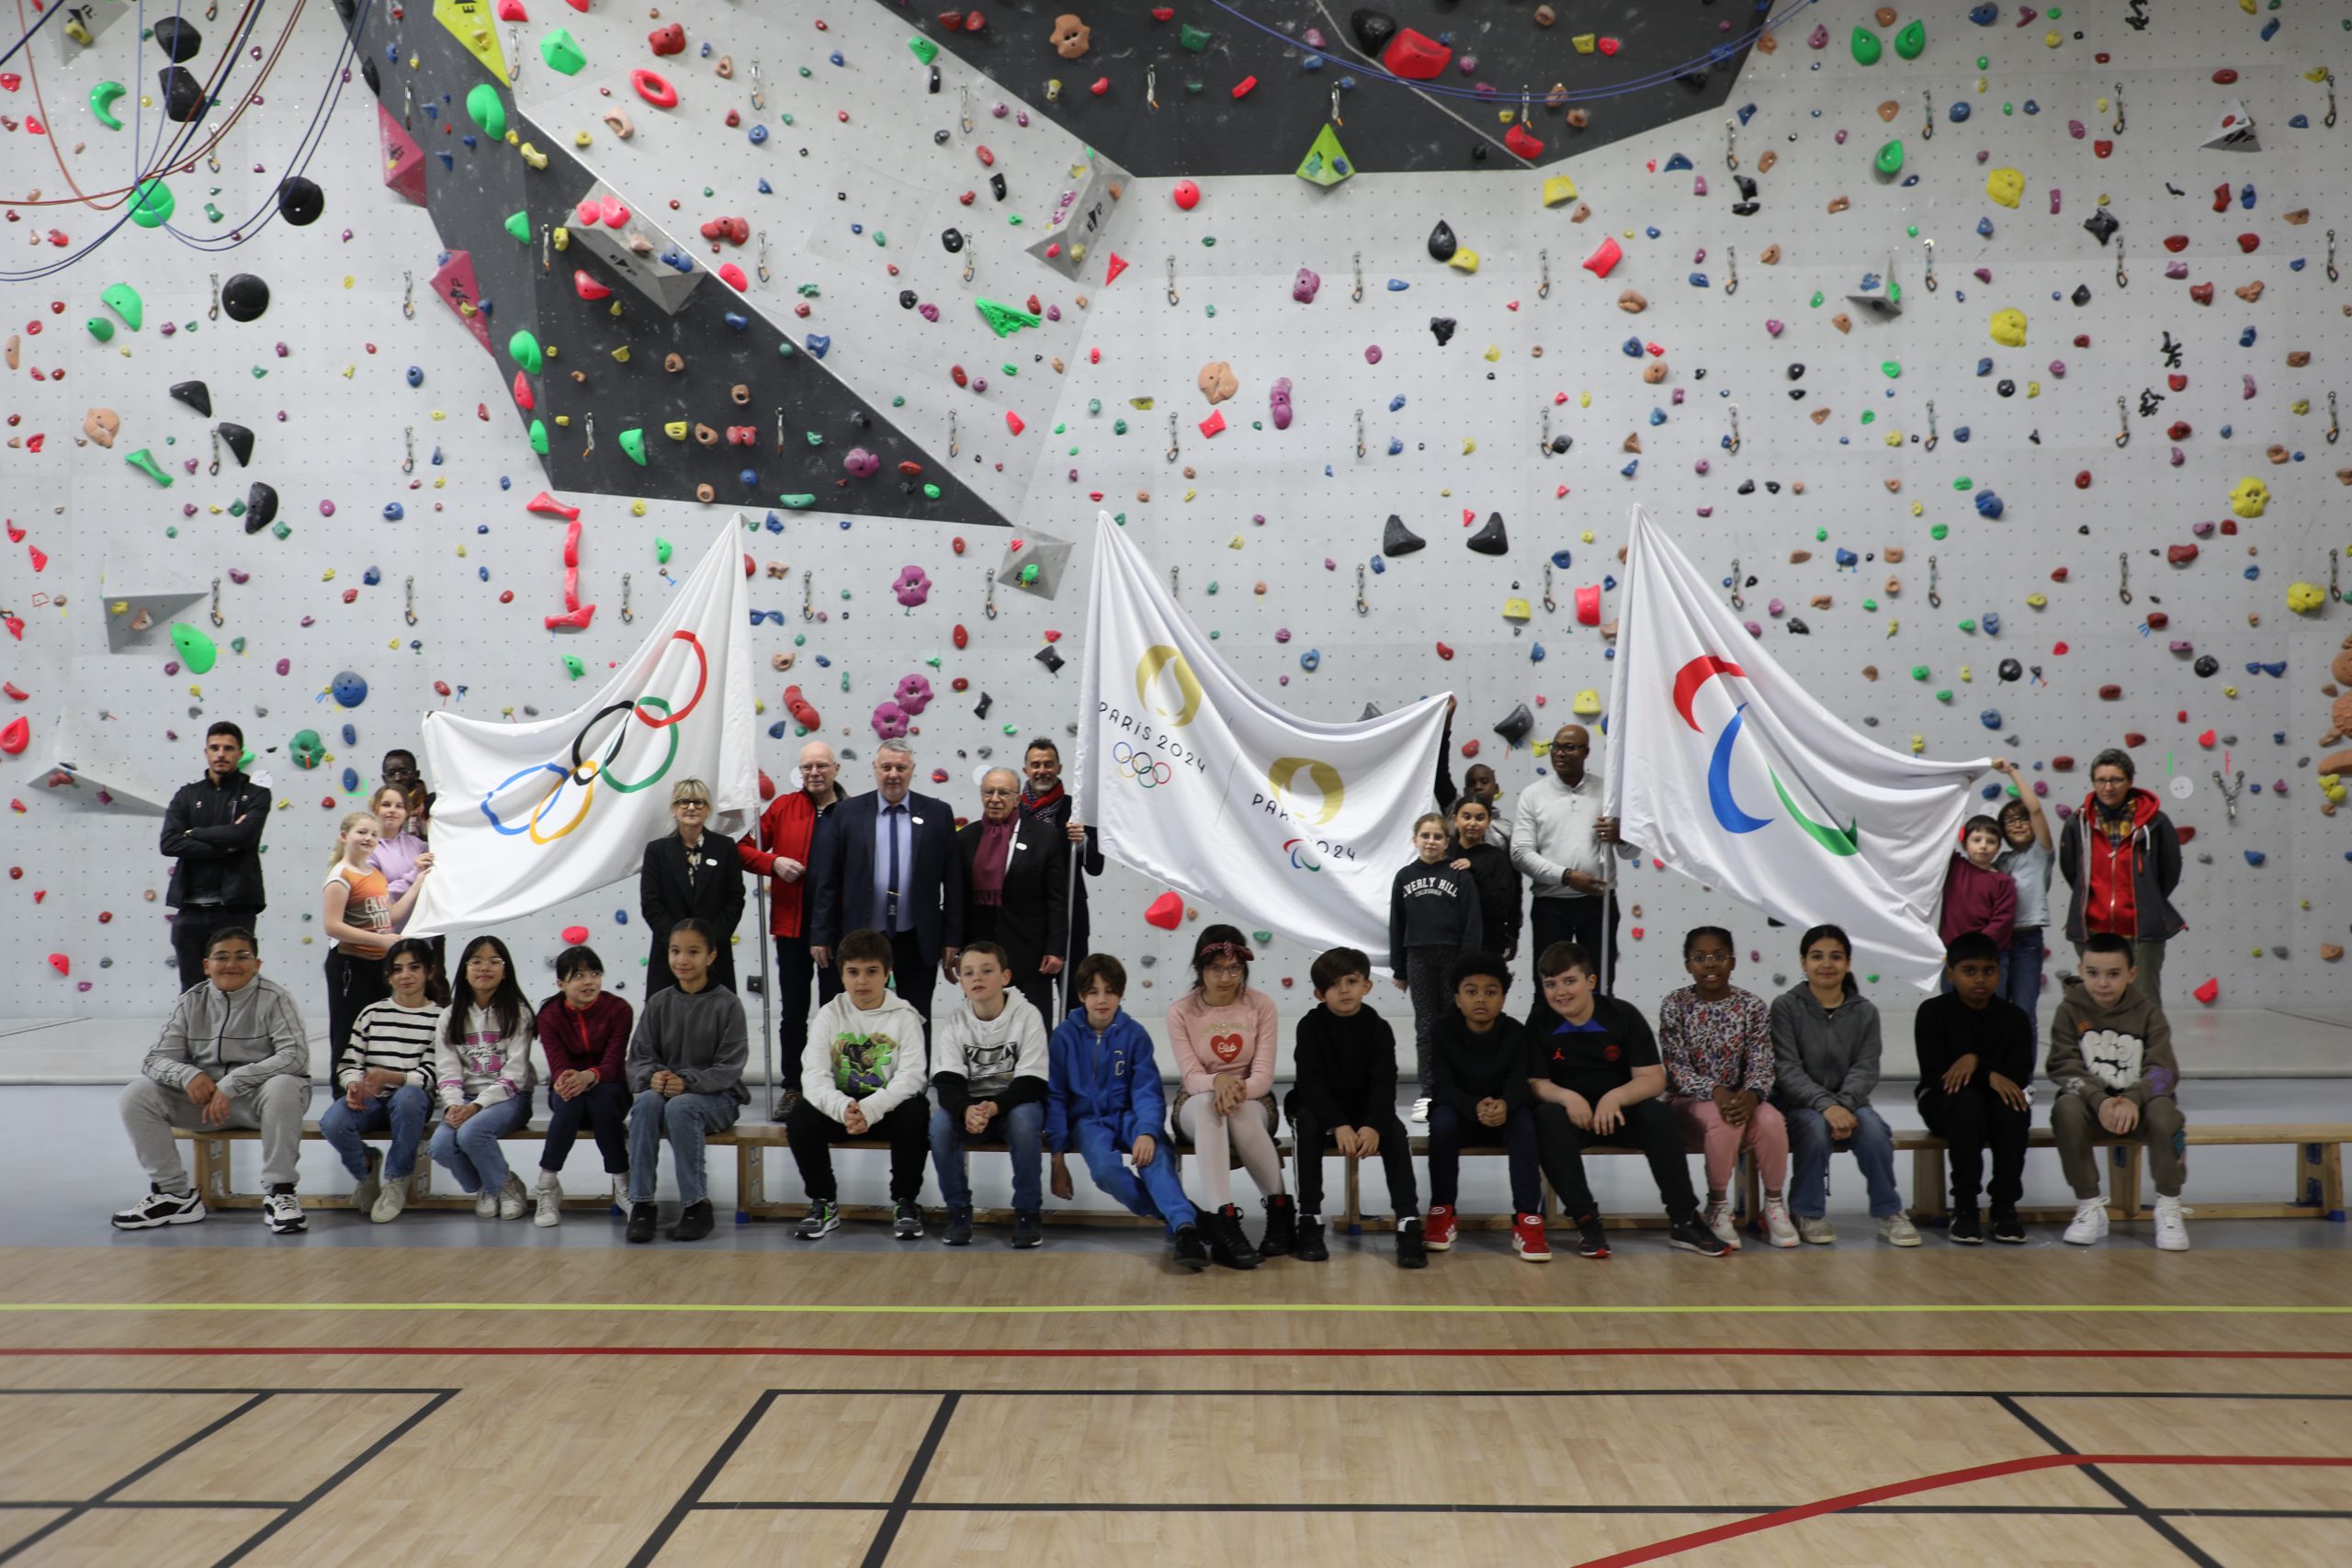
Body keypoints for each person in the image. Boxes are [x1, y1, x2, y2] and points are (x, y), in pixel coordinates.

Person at [1524, 942, 1726, 1259]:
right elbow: (1536, 1084)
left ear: (1590, 982)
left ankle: (1685, 1220)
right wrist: (1567, 1097)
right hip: (1573, 1120)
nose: (1560, 992)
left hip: (1620, 1115)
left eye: (1569, 981)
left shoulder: (1623, 1015)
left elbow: (1653, 1079)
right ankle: (1586, 1220)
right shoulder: (1539, 1022)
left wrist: (1615, 1098)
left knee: (1659, 1116)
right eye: (1550, 984)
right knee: (1546, 1117)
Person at [112, 926, 311, 1235]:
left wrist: (232, 1083)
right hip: (203, 1105)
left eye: (242, 957)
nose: (232, 964)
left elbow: (294, 1056)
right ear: (207, 965)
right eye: (222, 957)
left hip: (258, 1103)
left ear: (257, 964)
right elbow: (154, 1060)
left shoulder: (276, 999)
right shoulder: (191, 1001)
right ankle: (174, 1195)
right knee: (136, 1094)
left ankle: (281, 1192)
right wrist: (188, 1074)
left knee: (285, 1085)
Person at [1046, 954, 1211, 1270]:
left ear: (1121, 993)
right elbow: (1055, 1096)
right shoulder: (1064, 1036)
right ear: (1081, 996)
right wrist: (1057, 1156)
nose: (1102, 1000)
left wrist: (1148, 1131)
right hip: (1087, 1121)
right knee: (1107, 1174)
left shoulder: (1134, 1034)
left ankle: (1186, 1232)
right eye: (1093, 992)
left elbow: (1146, 1090)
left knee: (1156, 1157)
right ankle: (1182, 1216)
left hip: (1130, 1116)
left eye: (1109, 991)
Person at [1769, 925, 1918, 1247]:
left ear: (1848, 963)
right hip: (1798, 1105)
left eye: (1835, 957)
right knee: (1813, 1128)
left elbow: (1866, 1069)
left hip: (1850, 1103)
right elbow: (1786, 1069)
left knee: (1875, 1131)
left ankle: (1889, 1212)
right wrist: (1826, 1105)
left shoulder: (1864, 1012)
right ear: (1803, 962)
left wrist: (1844, 1105)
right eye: (1817, 956)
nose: (1826, 964)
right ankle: (1808, 1212)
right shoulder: (1785, 1007)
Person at [1285, 947, 1425, 1268]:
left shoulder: (1378, 1028)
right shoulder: (1310, 1026)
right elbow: (1310, 1083)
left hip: (1365, 1109)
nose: (1344, 990)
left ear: (1367, 985)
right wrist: (1337, 1124)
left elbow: (1384, 1083)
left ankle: (1408, 1222)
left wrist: (1373, 1124)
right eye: (1334, 985)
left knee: (1395, 1129)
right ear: (1320, 994)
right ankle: (1308, 1218)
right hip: (1318, 1107)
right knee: (1305, 1125)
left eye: (1351, 981)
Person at [2049, 934, 2189, 1251]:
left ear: (2132, 974)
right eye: (2093, 973)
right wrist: (2099, 1101)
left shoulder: (2149, 1012)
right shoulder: (2069, 1011)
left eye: (2113, 974)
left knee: (2167, 1113)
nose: (2102, 983)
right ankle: (2089, 1206)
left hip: (2139, 1111)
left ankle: (2169, 1205)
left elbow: (2164, 1070)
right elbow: (2063, 1065)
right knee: (2065, 1109)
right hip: (2092, 1109)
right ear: (2081, 970)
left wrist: (2133, 1099)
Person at [808, 740, 964, 1024]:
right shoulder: (848, 813)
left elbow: (953, 882)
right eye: (886, 767)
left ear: (912, 770)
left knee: (916, 1019)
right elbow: (828, 881)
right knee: (860, 1021)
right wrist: (820, 934)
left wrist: (952, 939)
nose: (893, 774)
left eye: (901, 767)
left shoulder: (938, 814)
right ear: (875, 769)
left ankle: (914, 1071)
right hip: (861, 936)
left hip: (916, 938)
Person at [790, 927, 932, 1241]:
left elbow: (912, 1077)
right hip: (845, 1110)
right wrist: (844, 1108)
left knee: (916, 1112)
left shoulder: (904, 1016)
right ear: (841, 975)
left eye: (871, 972)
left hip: (886, 1109)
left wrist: (871, 1108)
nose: (862, 981)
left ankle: (905, 1202)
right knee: (801, 1116)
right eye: (853, 972)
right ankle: (823, 1202)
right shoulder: (829, 1014)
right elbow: (813, 1075)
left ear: (888, 973)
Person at [1658, 927, 1792, 1251]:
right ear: (1688, 965)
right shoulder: (1676, 1005)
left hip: (1743, 1097)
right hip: (1689, 1100)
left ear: (1732, 962)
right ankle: (1717, 1205)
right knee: (1724, 1118)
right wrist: (1716, 1091)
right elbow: (1675, 1066)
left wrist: (1751, 1095)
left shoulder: (1753, 1006)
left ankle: (1773, 1204)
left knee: (1772, 1119)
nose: (1710, 964)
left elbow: (1762, 1060)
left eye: (1719, 956)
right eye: (1700, 958)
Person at [1166, 923, 1291, 1269]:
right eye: (1216, 968)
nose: (1226, 977)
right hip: (1197, 1099)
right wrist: (1218, 1082)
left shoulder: (1261, 1006)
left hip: (1254, 1099)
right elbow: (1191, 1078)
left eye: (1234, 968)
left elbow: (1263, 1077)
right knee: (1210, 1106)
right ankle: (1224, 1221)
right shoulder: (1181, 1011)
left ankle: (1280, 1211)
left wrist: (1235, 1091)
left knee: (1241, 1112)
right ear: (1200, 970)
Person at [737, 739, 853, 1097]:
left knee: (838, 1014)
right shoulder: (783, 808)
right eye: (807, 767)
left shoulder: (855, 813)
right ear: (800, 772)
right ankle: (793, 1087)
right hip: (792, 929)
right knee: (793, 1016)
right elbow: (741, 849)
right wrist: (772, 863)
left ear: (836, 768)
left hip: (839, 931)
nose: (814, 773)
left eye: (821, 766)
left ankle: (836, 1086)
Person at [624, 919, 750, 1243]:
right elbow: (639, 1056)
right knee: (647, 1103)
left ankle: (697, 1205)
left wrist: (686, 1081)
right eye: (675, 951)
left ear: (711, 956)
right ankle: (641, 1204)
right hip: (668, 1093)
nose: (682, 959)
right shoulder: (658, 1002)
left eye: (693, 952)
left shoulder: (728, 1005)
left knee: (681, 1109)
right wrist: (655, 1077)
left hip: (717, 1099)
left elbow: (729, 1067)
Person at [1424, 951, 1549, 1260]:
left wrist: (1505, 1104)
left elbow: (1520, 1082)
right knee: (1441, 1122)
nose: (1481, 999)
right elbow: (1442, 1086)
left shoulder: (1516, 1032)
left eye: (1491, 992)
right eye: (1471, 991)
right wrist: (1474, 1106)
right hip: (1461, 1114)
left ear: (1503, 999)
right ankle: (1442, 1209)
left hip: (1503, 1115)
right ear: (1456, 998)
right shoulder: (1442, 1030)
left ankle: (1527, 1218)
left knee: (1524, 1122)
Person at [1914, 932, 2034, 1245]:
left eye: (1988, 971)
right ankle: (1965, 1208)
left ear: (1999, 973)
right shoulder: (1932, 1013)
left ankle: (2004, 1208)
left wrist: (1976, 1064)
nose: (1980, 979)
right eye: (1969, 971)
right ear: (1950, 974)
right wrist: (1986, 1072)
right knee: (1967, 1106)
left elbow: (2018, 1075)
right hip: (1942, 1101)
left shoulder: (2015, 1017)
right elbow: (1935, 1073)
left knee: (2014, 1108)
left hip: (1995, 1103)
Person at [929, 942, 1051, 1248]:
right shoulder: (955, 1022)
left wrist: (994, 1108)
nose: (977, 978)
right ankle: (958, 1211)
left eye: (986, 970)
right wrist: (966, 1110)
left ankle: (1027, 1212)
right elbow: (947, 1081)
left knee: (1025, 1125)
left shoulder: (1027, 1015)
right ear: (961, 981)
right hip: (972, 1111)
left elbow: (1031, 1082)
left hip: (1013, 1106)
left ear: (1005, 976)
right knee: (940, 1127)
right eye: (968, 973)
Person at [319, 938, 445, 1224]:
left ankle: (396, 1181)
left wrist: (392, 1077)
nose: (405, 975)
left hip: (411, 1102)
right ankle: (366, 1168)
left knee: (409, 1096)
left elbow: (431, 1076)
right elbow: (350, 1063)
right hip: (372, 1101)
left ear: (429, 972)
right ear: (388, 975)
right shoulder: (371, 1013)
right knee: (333, 1123)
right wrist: (352, 1085)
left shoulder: (440, 1018)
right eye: (397, 969)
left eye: (414, 967)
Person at [1510, 723, 1634, 994]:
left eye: (1569, 747)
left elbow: (1631, 851)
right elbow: (1519, 854)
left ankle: (1600, 1036)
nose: (1560, 753)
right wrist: (1567, 877)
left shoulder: (1608, 793)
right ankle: (1549, 1037)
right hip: (1551, 904)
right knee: (1548, 984)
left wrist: (1621, 835)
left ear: (1586, 752)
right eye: (1555, 747)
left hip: (1599, 903)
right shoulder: (1533, 795)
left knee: (1600, 982)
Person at [2058, 749, 2186, 1003]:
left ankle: (2144, 1044)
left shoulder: (2156, 823)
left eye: (2116, 780)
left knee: (2143, 1000)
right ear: (2093, 782)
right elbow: (2071, 870)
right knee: (2098, 999)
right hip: (2093, 930)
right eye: (2101, 780)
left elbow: (2169, 872)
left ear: (2129, 781)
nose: (2108, 787)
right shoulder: (2078, 823)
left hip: (2141, 931)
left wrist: (2146, 898)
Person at [428, 935, 537, 1221]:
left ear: (505, 971)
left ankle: (503, 1187)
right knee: (439, 1146)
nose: (484, 968)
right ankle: (492, 1184)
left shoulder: (519, 1013)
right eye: (476, 961)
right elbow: (447, 1070)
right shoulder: (450, 1016)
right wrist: (453, 1105)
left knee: (472, 1132)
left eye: (493, 962)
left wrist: (476, 1107)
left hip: (511, 1098)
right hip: (464, 1099)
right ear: (464, 970)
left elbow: (515, 1075)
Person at [162, 723, 273, 991]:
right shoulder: (187, 796)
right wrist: (223, 845)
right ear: (206, 751)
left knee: (237, 986)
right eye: (215, 748)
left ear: (239, 753)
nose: (221, 754)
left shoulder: (256, 795)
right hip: (190, 910)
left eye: (228, 748)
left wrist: (193, 833)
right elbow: (169, 842)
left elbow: (244, 836)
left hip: (234, 909)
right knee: (192, 990)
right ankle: (197, 1035)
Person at [322, 811, 429, 1084]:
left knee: (377, 1030)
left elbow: (389, 917)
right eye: (361, 832)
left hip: (377, 964)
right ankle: (342, 1089)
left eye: (373, 834)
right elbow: (332, 925)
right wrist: (380, 940)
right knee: (348, 1030)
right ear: (344, 836)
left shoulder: (375, 874)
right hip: (351, 964)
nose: (368, 838)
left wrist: (418, 881)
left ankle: (372, 1088)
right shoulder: (340, 875)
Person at [956, 768, 1070, 1024]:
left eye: (1004, 792)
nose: (995, 798)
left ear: (1017, 798)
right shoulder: (966, 839)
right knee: (983, 1027)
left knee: (1034, 1028)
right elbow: (958, 899)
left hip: (1031, 953)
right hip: (981, 955)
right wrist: (957, 947)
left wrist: (1056, 948)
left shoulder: (1044, 837)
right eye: (989, 792)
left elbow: (1057, 898)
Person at [1393, 812, 1486, 1123]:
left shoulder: (1460, 875)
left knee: (1455, 1024)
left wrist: (1467, 966)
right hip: (1417, 957)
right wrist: (1399, 969)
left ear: (1447, 842)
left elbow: (1473, 924)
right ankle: (1428, 1092)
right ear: (1415, 840)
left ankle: (1456, 1089)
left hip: (1453, 958)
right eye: (1425, 836)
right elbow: (1397, 924)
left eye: (1437, 836)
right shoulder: (1404, 877)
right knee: (1426, 1026)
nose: (1430, 841)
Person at [533, 944, 634, 1226]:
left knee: (601, 1100)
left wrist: (588, 1076)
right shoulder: (549, 1016)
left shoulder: (619, 1009)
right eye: (579, 976)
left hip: (612, 1089)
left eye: (595, 973)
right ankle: (547, 1185)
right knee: (569, 1100)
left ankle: (623, 1185)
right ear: (561, 983)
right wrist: (570, 1079)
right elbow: (557, 1065)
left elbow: (614, 1063)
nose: (589, 981)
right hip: (569, 1090)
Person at [1016, 738, 1101, 1011]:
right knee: (1031, 1005)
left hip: (1070, 919)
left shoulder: (1078, 810)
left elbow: (1096, 867)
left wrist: (1085, 841)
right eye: (1036, 765)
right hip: (1027, 923)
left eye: (1049, 764)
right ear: (1026, 769)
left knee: (1075, 1002)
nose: (1043, 770)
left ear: (1059, 767)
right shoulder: (1013, 811)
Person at [641, 778, 746, 998]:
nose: (691, 807)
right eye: (683, 802)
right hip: (669, 957)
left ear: (707, 809)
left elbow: (735, 899)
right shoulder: (656, 851)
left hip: (714, 956)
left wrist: (708, 944)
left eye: (698, 802)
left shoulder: (725, 848)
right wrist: (680, 946)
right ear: (674, 809)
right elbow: (651, 903)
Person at [1991, 758, 2056, 1065]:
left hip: (2028, 942)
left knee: (2024, 1011)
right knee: (1996, 1011)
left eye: (2022, 819)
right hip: (1999, 945)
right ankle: (1997, 1073)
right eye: (2009, 822)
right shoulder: (2000, 863)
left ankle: (2023, 1079)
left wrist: (2013, 772)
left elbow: (2036, 810)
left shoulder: (2040, 853)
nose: (2017, 824)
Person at [1448, 796, 1522, 962]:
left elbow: (1504, 901)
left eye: (1480, 818)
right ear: (1455, 819)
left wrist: (1474, 869)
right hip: (1447, 941)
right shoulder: (1445, 853)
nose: (1473, 823)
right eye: (1466, 817)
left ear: (1488, 821)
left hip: (1487, 940)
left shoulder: (1497, 858)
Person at [1939, 814, 2018, 967]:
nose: (1983, 846)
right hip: (1953, 952)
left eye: (1991, 842)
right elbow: (1940, 838)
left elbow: (2001, 921)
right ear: (1964, 843)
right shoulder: (1955, 866)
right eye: (1976, 840)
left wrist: (1973, 947)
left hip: (1988, 955)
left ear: (1998, 848)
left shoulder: (2004, 882)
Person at [1432, 698, 1512, 843]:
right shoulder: (1454, 810)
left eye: (1484, 781)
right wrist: (1446, 723)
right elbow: (1439, 773)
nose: (1477, 787)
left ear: (1496, 788)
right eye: (1471, 783)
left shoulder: (1506, 829)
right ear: (1465, 791)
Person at [367, 784, 434, 930]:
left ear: (407, 813)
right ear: (374, 808)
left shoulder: (419, 846)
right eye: (386, 805)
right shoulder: (366, 850)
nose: (392, 810)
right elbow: (377, 898)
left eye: (399, 806)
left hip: (420, 936)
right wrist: (416, 874)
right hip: (383, 940)